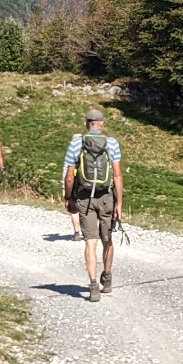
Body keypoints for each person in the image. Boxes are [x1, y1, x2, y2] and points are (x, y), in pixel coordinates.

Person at [62, 107, 123, 302]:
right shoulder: (112, 143)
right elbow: (117, 175)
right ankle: (107, 276)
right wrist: (119, 203)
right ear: (102, 124)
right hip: (106, 197)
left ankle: (93, 284)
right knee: (107, 239)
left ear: (86, 124)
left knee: (90, 241)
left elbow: (69, 176)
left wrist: (68, 197)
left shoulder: (76, 143)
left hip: (85, 198)